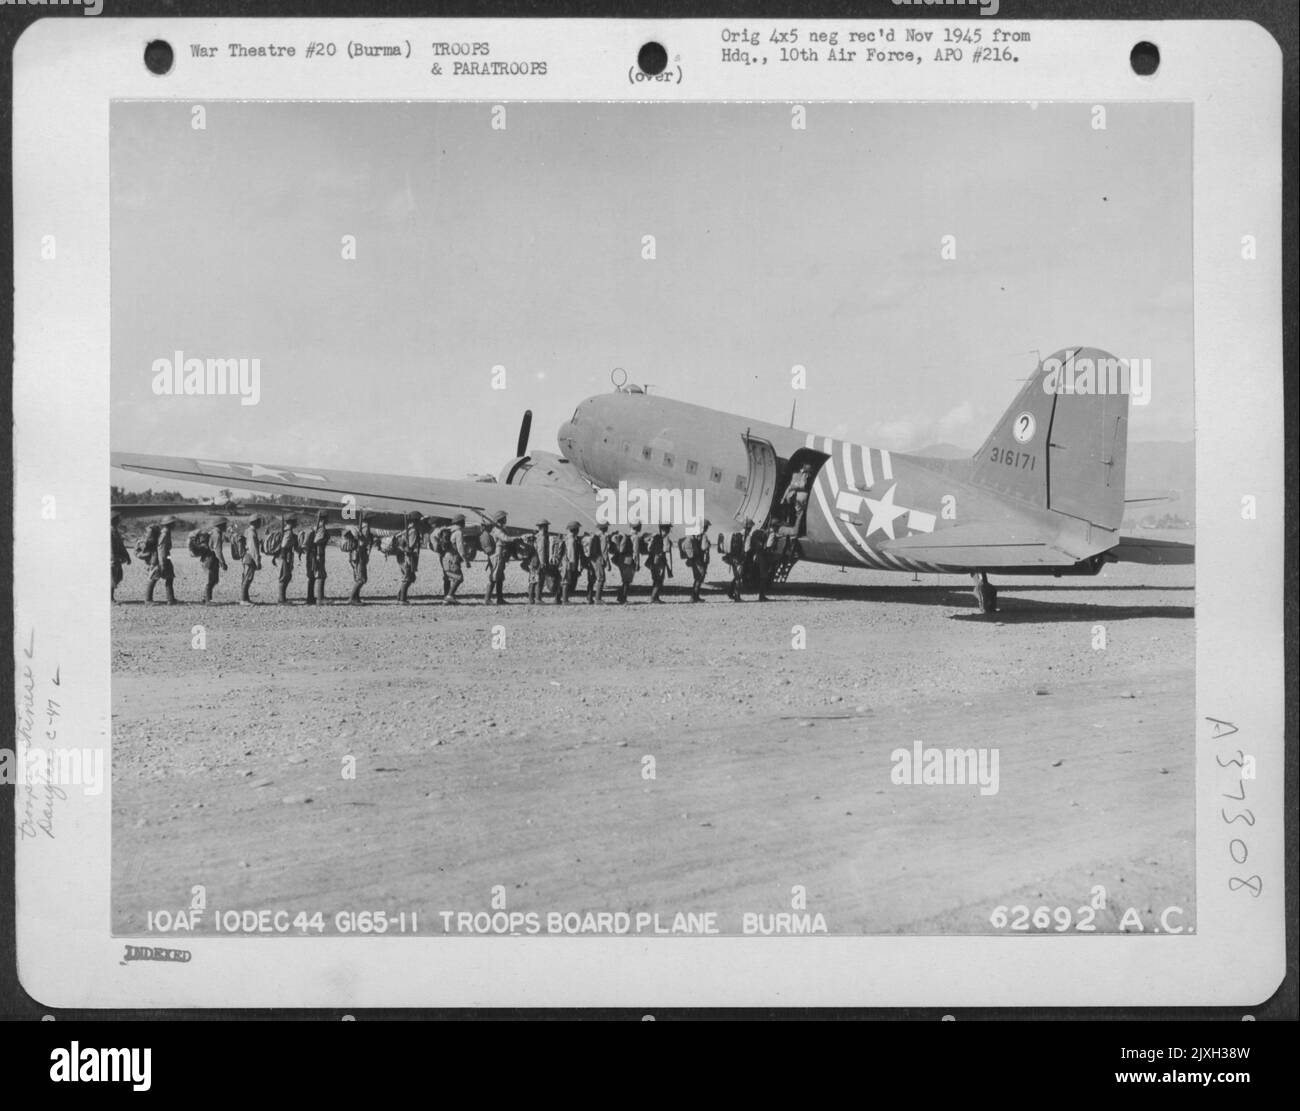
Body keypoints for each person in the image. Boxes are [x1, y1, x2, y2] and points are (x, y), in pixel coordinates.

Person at [146, 515, 179, 604]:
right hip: (160, 559)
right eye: (173, 523)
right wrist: (162, 563)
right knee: (154, 578)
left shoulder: (167, 532)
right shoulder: (164, 533)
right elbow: (161, 549)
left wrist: (169, 559)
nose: (175, 524)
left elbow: (166, 550)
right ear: (170, 524)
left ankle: (170, 599)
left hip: (166, 557)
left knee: (170, 576)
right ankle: (148, 600)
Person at [482, 510, 510, 605]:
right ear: (500, 519)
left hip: (499, 555)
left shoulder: (498, 528)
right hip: (497, 555)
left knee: (499, 577)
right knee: (494, 577)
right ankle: (487, 599)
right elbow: (506, 538)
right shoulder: (498, 530)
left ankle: (500, 599)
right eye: (504, 518)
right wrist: (519, 537)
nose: (506, 519)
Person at [199, 517, 230, 604]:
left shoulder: (213, 532)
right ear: (220, 525)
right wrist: (223, 562)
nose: (226, 526)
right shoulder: (217, 534)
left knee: (214, 579)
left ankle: (205, 597)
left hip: (207, 559)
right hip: (211, 559)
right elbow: (218, 550)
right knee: (211, 580)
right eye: (224, 524)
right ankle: (208, 600)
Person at [611, 521, 642, 604]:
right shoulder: (635, 537)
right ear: (639, 527)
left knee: (624, 580)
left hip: (621, 559)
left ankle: (620, 597)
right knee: (627, 581)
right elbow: (636, 551)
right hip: (628, 560)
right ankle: (623, 598)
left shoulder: (627, 536)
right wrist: (637, 563)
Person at [272, 515, 300, 604]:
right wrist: (285, 558)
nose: (296, 523)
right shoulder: (288, 532)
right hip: (285, 557)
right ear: (291, 522)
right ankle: (281, 599)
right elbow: (284, 545)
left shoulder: (287, 531)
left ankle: (283, 598)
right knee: (284, 577)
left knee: (286, 576)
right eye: (295, 521)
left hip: (284, 557)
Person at [397, 511, 423, 604]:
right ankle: (402, 599)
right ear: (415, 520)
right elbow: (411, 545)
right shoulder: (413, 531)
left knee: (410, 577)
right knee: (408, 577)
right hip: (407, 556)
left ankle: (400, 596)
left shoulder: (406, 529)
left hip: (401, 556)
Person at [683, 518, 711, 602]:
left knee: (697, 578)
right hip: (700, 560)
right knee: (700, 578)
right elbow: (704, 547)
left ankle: (695, 596)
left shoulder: (695, 534)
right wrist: (708, 544)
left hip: (695, 559)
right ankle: (694, 597)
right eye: (706, 527)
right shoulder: (704, 535)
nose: (707, 528)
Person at [304, 510, 330, 605]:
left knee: (312, 576)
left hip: (312, 554)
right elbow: (318, 541)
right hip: (318, 554)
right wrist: (319, 556)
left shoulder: (315, 527)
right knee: (321, 575)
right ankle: (320, 598)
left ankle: (310, 598)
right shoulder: (321, 528)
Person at [346, 519, 374, 605]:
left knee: (358, 577)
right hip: (359, 555)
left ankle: (356, 598)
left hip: (355, 555)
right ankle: (351, 598)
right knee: (361, 578)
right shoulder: (365, 526)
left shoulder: (356, 526)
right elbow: (362, 542)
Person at [442, 514, 469, 604]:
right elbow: (460, 548)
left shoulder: (450, 530)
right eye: (463, 521)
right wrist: (466, 560)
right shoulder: (459, 532)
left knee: (448, 577)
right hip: (453, 558)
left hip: (446, 557)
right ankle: (449, 596)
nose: (465, 523)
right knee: (459, 578)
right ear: (460, 522)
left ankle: (446, 598)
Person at [525, 520, 552, 604]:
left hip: (533, 561)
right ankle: (537, 598)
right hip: (539, 561)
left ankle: (531, 599)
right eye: (546, 526)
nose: (547, 527)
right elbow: (541, 550)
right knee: (539, 580)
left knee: (532, 580)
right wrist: (543, 562)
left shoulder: (537, 536)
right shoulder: (542, 537)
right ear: (542, 527)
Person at [781, 463, 814, 530]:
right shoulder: (802, 475)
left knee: (798, 513)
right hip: (799, 495)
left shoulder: (803, 475)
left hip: (798, 495)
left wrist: (784, 497)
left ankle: (797, 529)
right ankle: (796, 528)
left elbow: (801, 485)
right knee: (799, 513)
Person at [239, 515, 264, 605]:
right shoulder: (252, 533)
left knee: (246, 578)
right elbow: (253, 549)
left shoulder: (248, 531)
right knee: (247, 579)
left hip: (247, 557)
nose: (260, 523)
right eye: (259, 521)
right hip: (250, 558)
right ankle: (243, 600)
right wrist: (258, 561)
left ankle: (246, 598)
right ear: (255, 522)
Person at [646, 523, 673, 603]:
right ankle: (654, 598)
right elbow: (666, 549)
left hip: (653, 561)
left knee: (655, 579)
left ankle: (655, 597)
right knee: (659, 580)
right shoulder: (665, 538)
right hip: (660, 561)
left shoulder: (655, 537)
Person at [558, 521, 584, 604]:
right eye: (578, 529)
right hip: (568, 563)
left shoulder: (567, 538)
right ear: (575, 530)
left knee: (562, 581)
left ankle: (557, 599)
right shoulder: (572, 540)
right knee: (566, 581)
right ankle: (565, 600)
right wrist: (573, 568)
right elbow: (571, 555)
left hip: (564, 562)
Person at [584, 522, 609, 604]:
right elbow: (604, 551)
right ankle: (598, 599)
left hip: (591, 559)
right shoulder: (603, 537)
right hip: (598, 559)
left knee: (592, 579)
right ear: (604, 528)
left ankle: (589, 597)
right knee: (601, 578)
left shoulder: (593, 535)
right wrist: (607, 562)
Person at [110, 512, 131, 602]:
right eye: (117, 519)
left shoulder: (115, 530)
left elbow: (121, 545)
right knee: (111, 577)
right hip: (112, 559)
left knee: (116, 577)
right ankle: (110, 599)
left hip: (116, 559)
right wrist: (113, 558)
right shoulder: (109, 531)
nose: (119, 521)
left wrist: (127, 556)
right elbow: (110, 546)